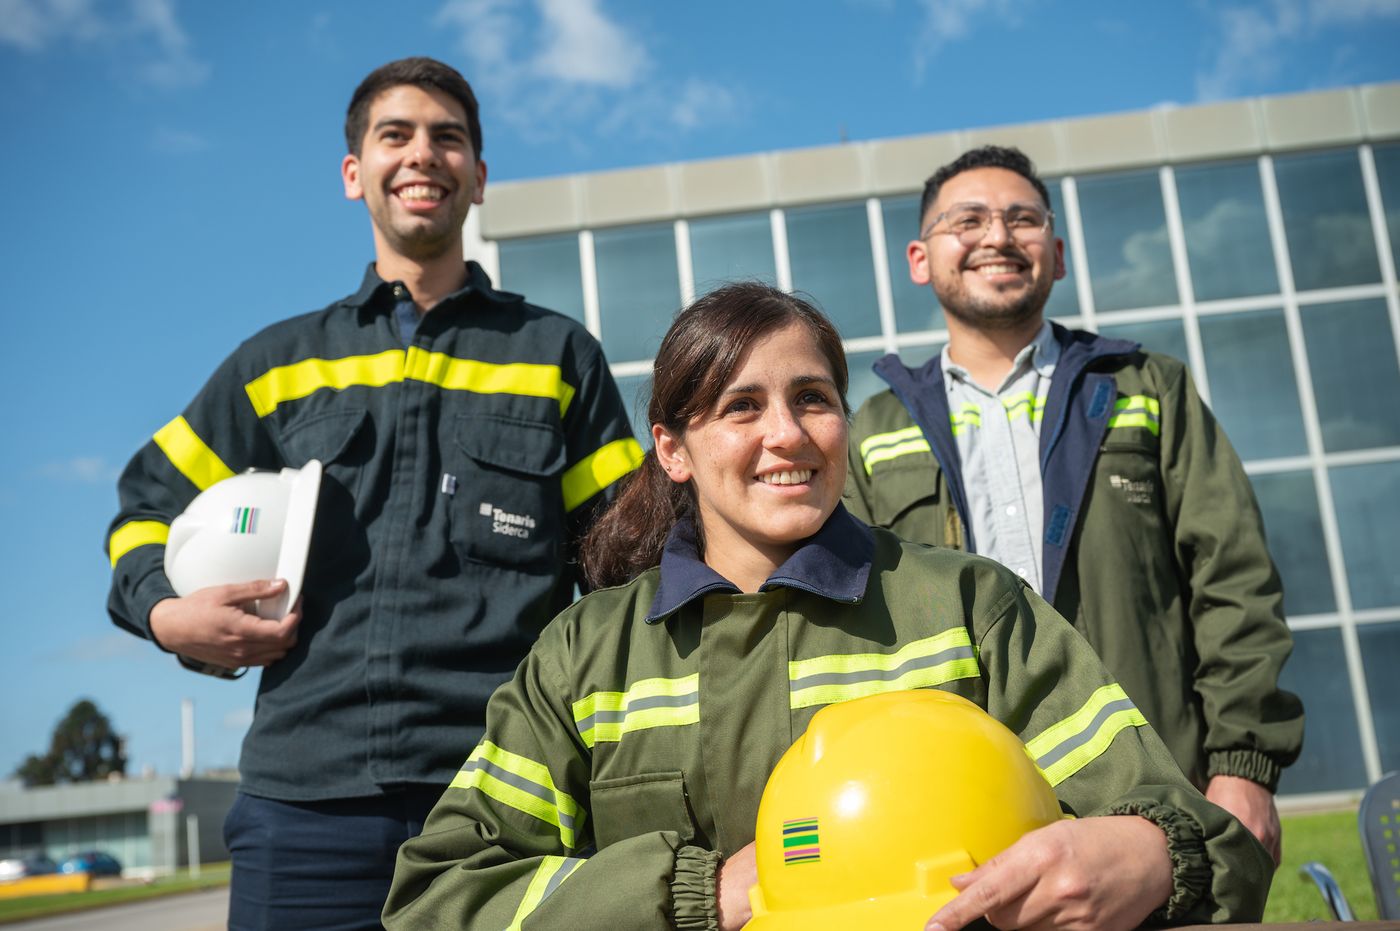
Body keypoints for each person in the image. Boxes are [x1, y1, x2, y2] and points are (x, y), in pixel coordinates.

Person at [381, 282, 1272, 931]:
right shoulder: (585, 655)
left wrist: (1151, 857)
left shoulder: (971, 606)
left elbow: (1203, 837)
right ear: (673, 448)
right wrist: (696, 892)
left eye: (812, 398)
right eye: (741, 407)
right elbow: (440, 896)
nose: (787, 434)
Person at [103, 57, 641, 929]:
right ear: (355, 173)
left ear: (478, 177)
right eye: (396, 135)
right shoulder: (277, 364)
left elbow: (629, 568)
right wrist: (167, 615)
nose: (422, 153)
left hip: (506, 796)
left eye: (447, 137)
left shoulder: (557, 357)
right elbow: (145, 503)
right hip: (302, 809)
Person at [844, 145, 1303, 865]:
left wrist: (1243, 768)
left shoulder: (1148, 388)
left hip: (1159, 802)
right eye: (968, 220)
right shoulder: (870, 432)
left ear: (1056, 254)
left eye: (1022, 219)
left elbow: (1234, 579)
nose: (998, 236)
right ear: (920, 259)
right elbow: (852, 636)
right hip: (958, 810)